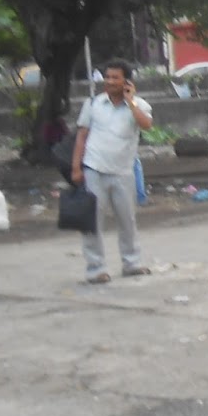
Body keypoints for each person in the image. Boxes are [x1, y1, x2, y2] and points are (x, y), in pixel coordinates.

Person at [70, 59, 153, 283]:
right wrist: (76, 167)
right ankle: (95, 269)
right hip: (94, 168)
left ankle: (132, 263)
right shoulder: (93, 104)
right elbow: (82, 136)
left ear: (127, 81)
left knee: (127, 220)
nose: (109, 81)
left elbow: (146, 125)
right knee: (92, 221)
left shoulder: (140, 105)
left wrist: (130, 102)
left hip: (123, 171)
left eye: (115, 77)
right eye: (107, 77)